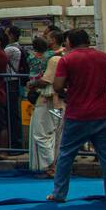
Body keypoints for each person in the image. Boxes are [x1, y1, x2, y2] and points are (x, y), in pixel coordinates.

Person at [49, 29, 106, 206]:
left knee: (66, 154)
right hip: (102, 114)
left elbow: (58, 85)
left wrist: (66, 91)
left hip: (77, 115)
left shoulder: (67, 59)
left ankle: (59, 193)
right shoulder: (105, 58)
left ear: (70, 42)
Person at [29, 34, 63, 177]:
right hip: (60, 103)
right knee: (55, 133)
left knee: (41, 132)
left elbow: (46, 81)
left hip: (47, 100)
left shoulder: (54, 59)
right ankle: (54, 166)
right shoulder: (60, 56)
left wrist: (32, 84)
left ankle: (49, 165)